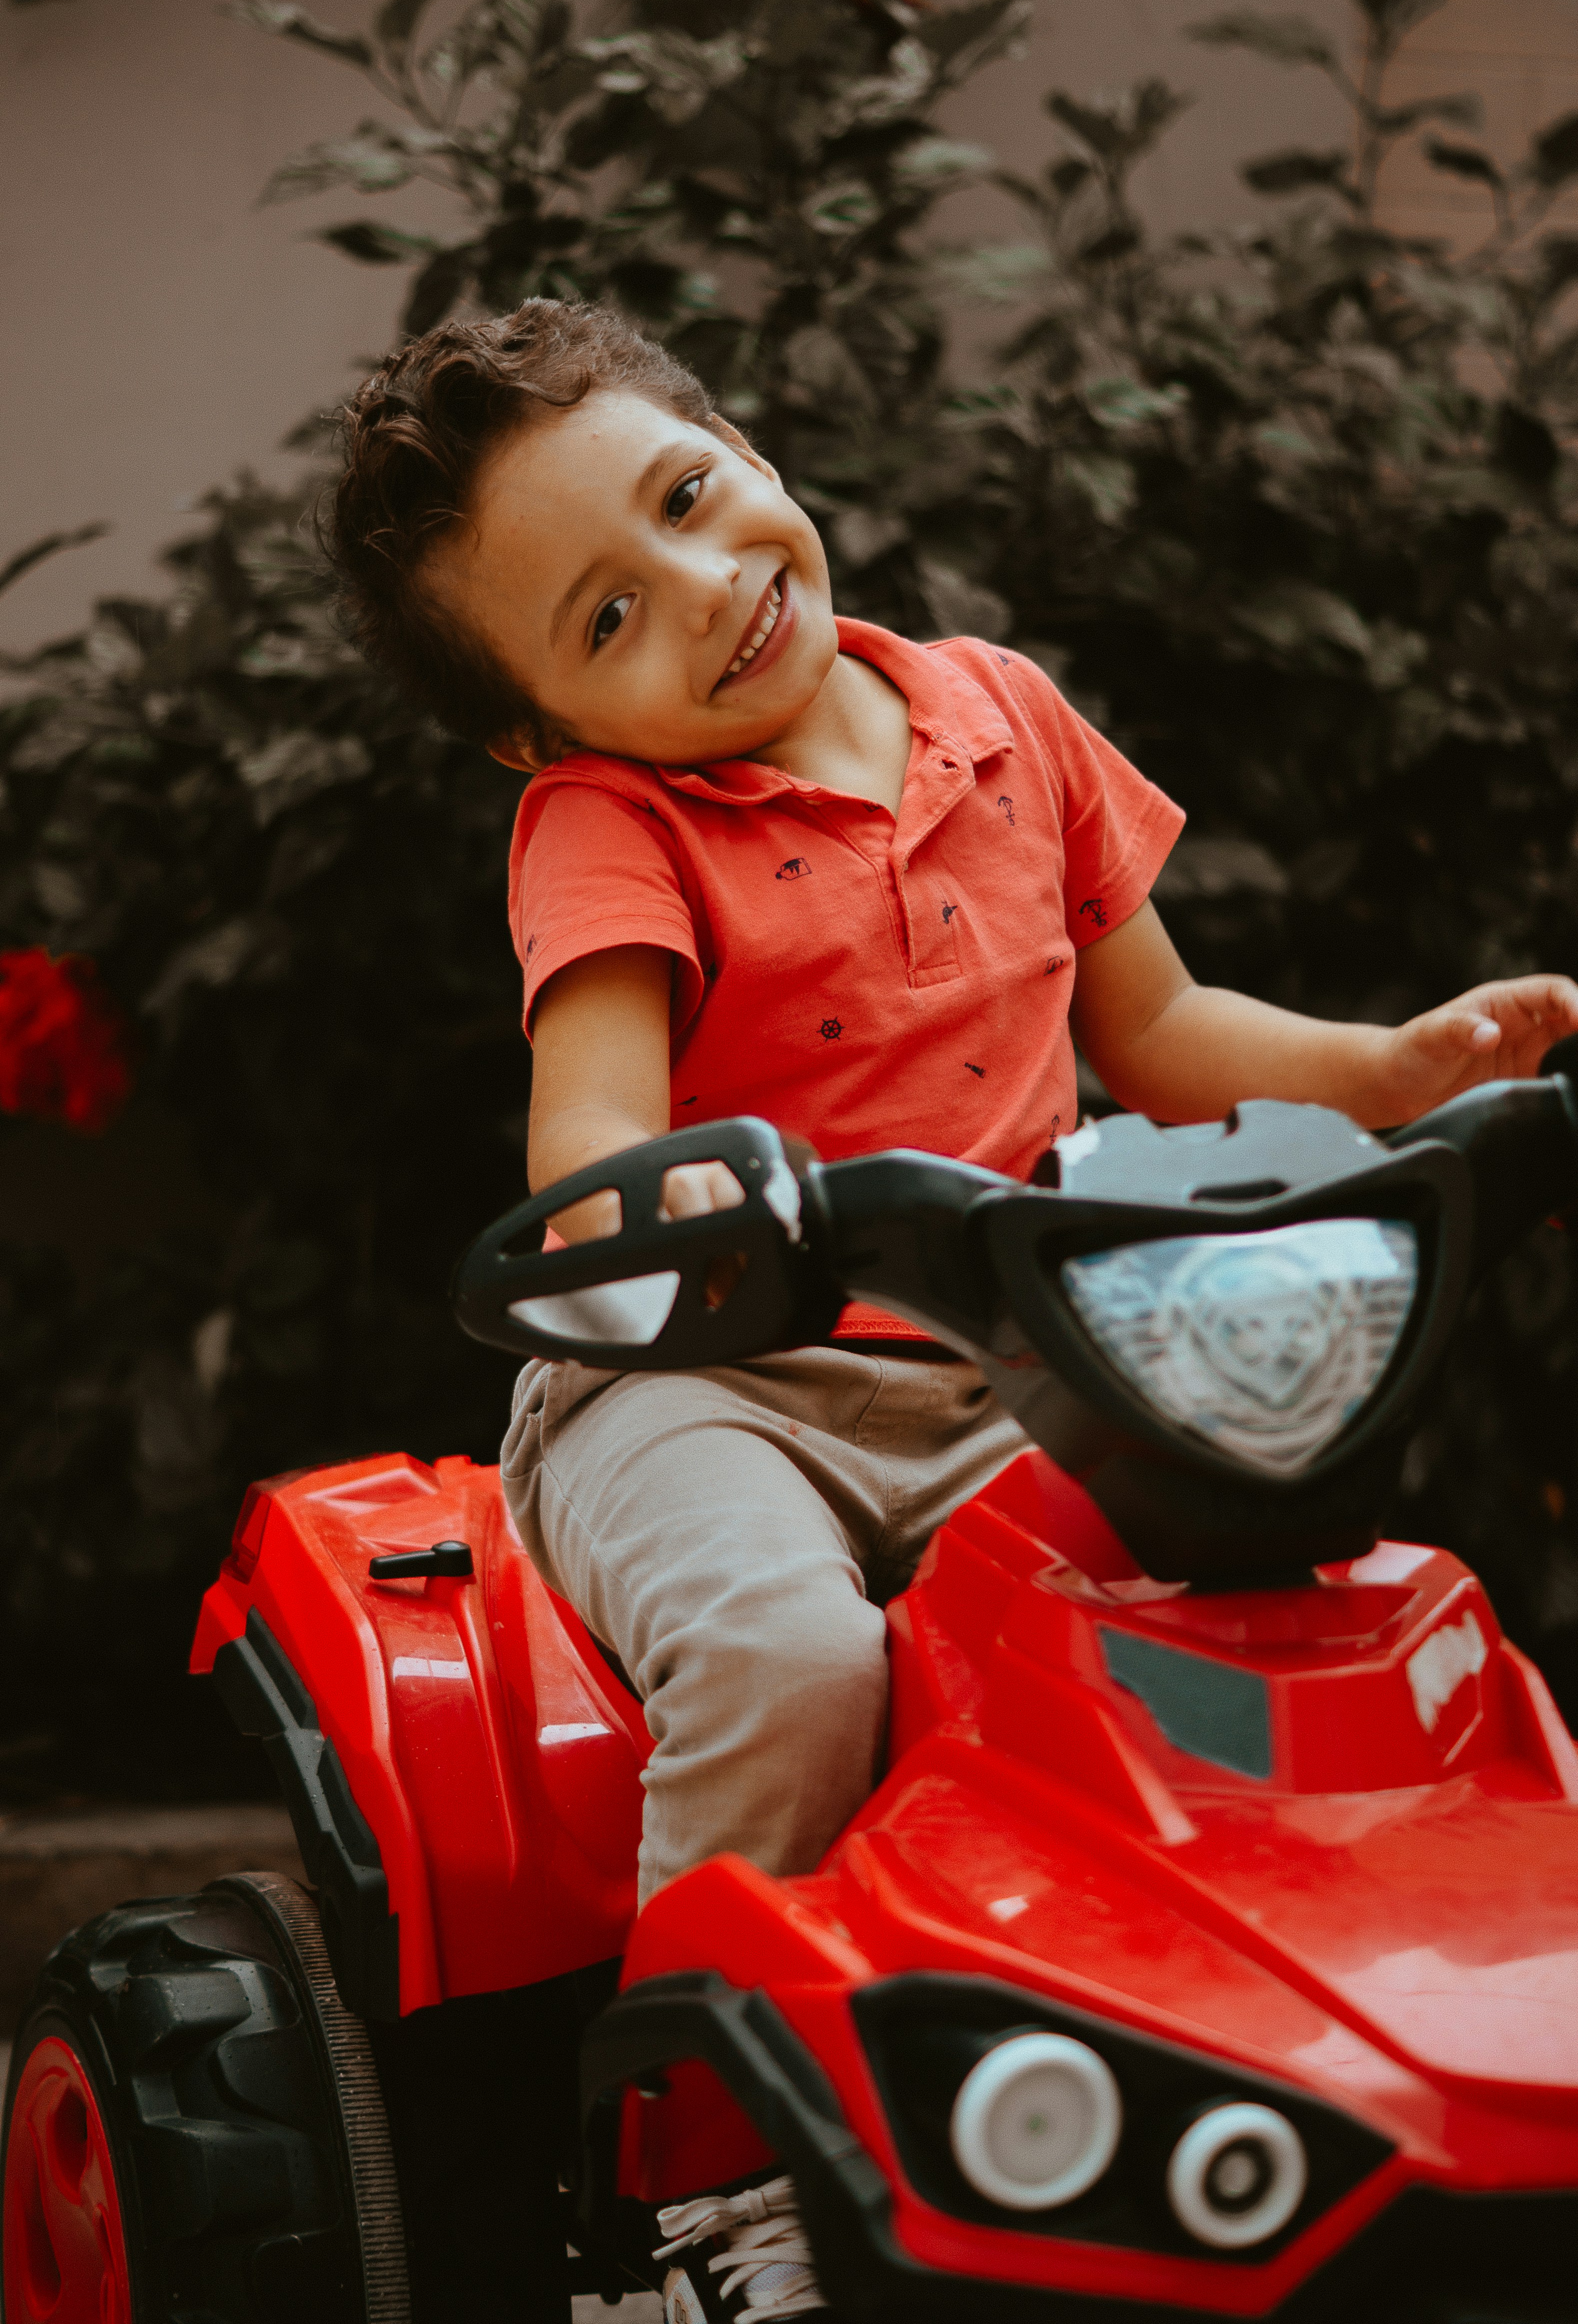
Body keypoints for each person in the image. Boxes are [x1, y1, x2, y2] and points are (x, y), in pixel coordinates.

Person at [327, 296, 1578, 2320]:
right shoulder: (611, 826)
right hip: (713, 1375)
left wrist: (1394, 1069)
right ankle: (688, 2184)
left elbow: (1163, 1033)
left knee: (1267, 1631)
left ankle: (1271, 2082)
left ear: (746, 448)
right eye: (609, 615)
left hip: (1017, 1358)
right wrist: (658, 1201)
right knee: (792, 1655)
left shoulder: (1000, 713)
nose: (704, 587)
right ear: (538, 732)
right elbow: (592, 1127)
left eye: (689, 499)